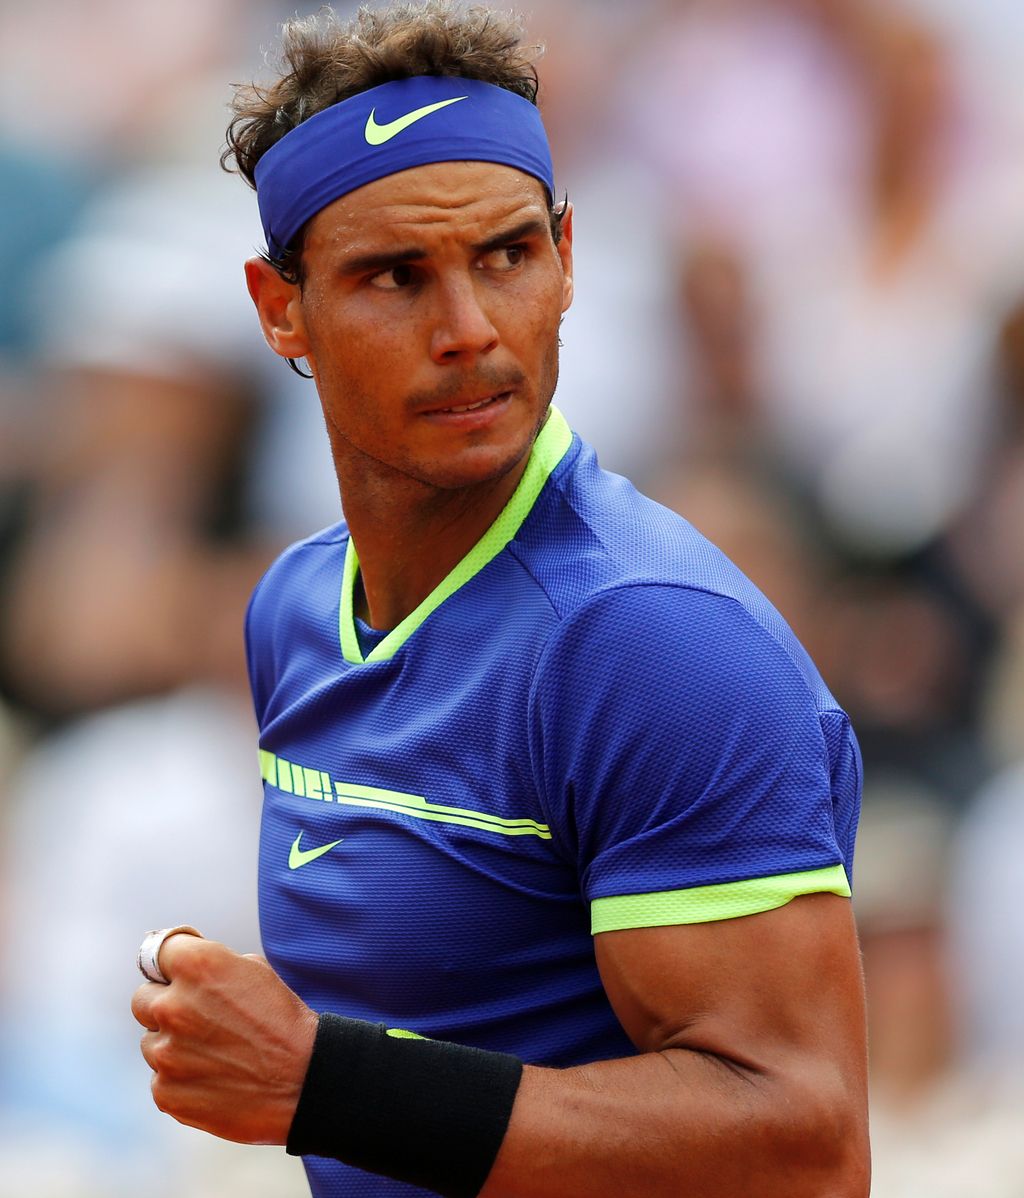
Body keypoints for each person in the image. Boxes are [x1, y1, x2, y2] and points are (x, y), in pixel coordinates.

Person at [131, 4, 869, 1196]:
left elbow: (804, 1145)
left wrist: (324, 1087)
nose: (469, 332)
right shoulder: (296, 604)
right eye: (393, 276)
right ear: (281, 309)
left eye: (507, 256)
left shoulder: (652, 639)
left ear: (568, 258)